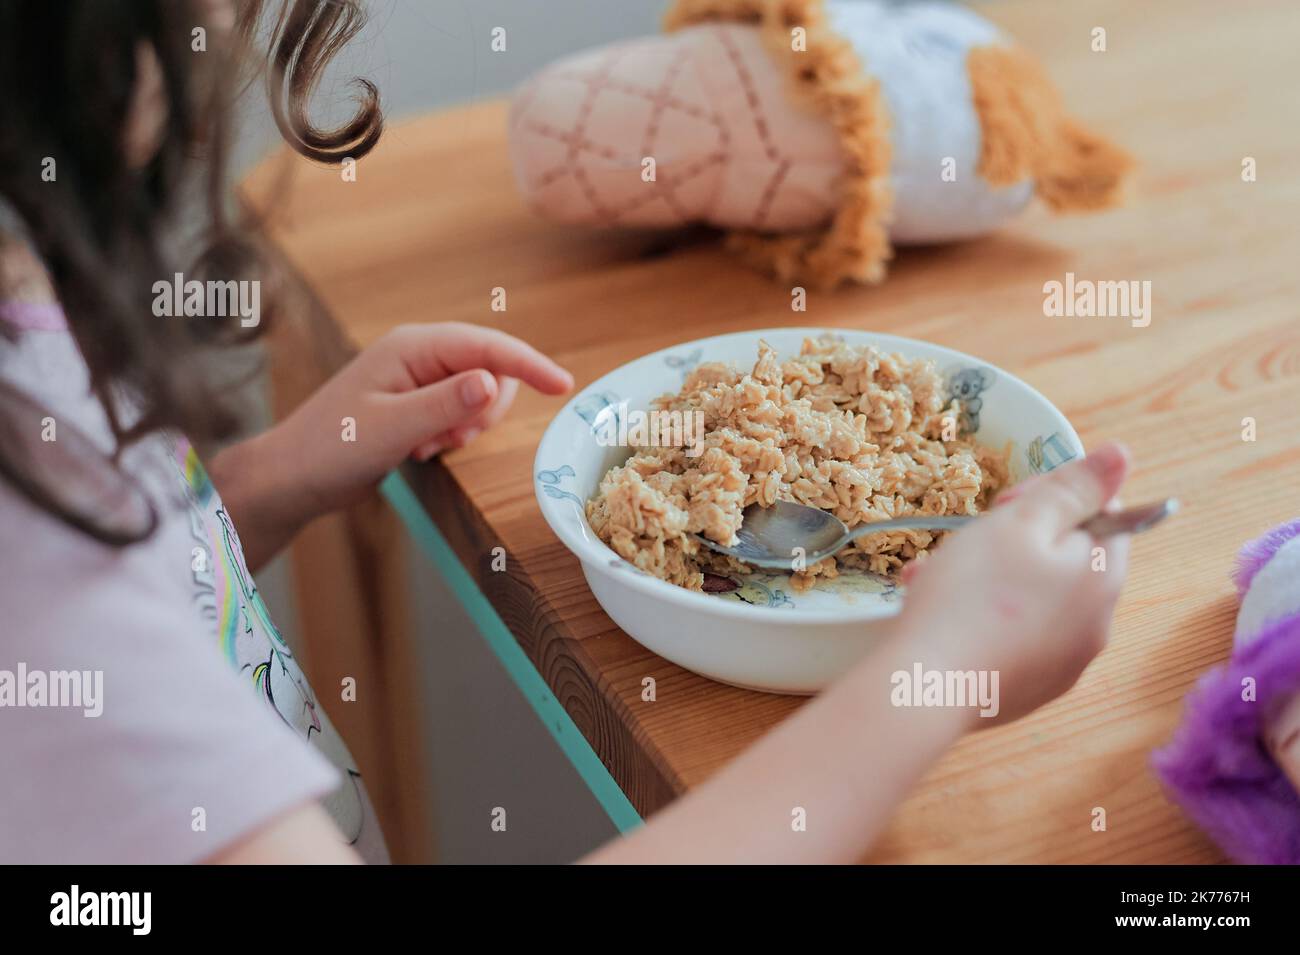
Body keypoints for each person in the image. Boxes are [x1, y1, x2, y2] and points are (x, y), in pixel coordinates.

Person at [0, 0, 1130, 864]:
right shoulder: (38, 579)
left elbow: (145, 605)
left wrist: (259, 486)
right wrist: (941, 671)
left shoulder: (31, 333)